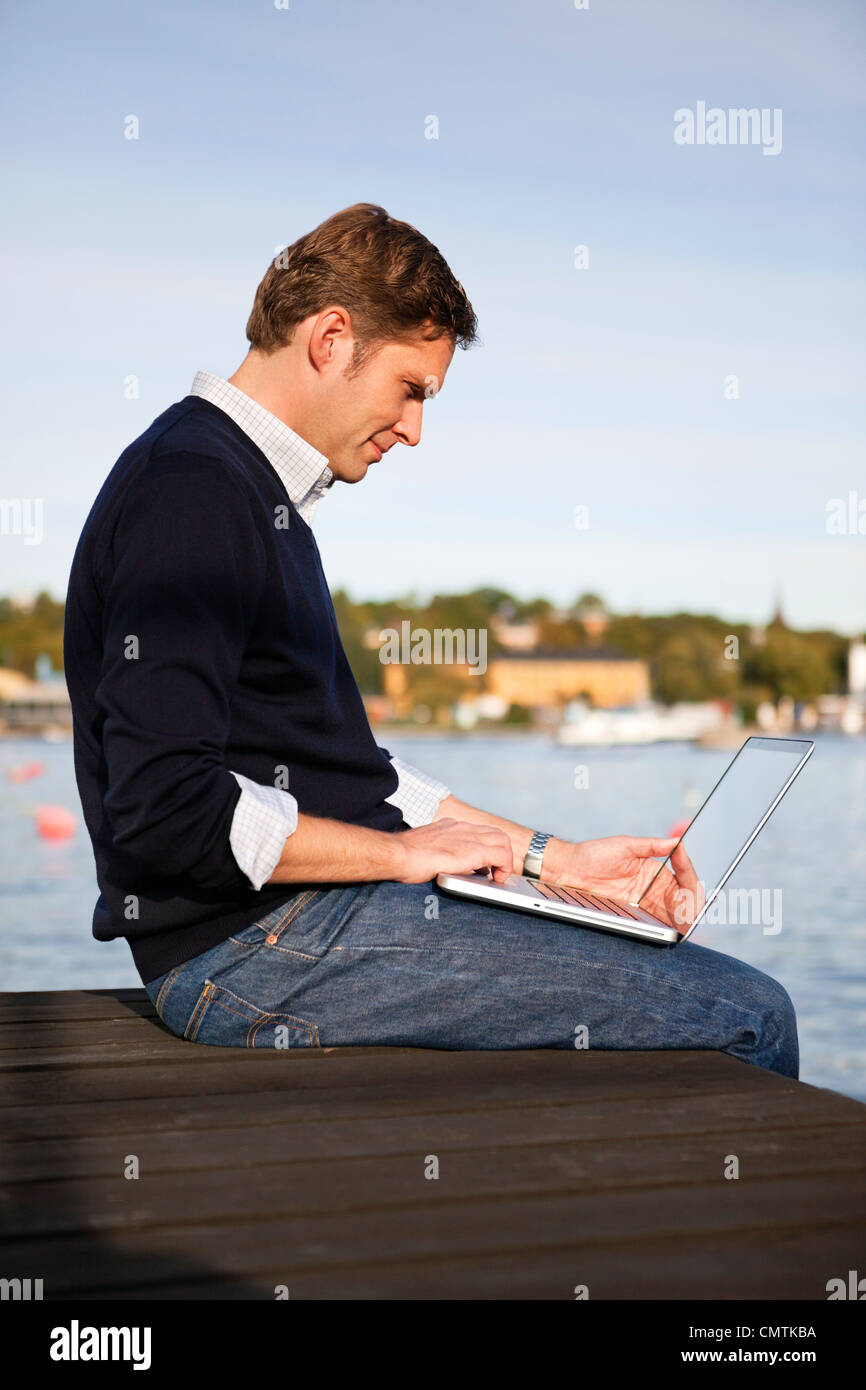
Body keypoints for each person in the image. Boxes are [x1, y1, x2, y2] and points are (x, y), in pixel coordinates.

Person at [63, 202, 798, 1075]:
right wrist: (401, 856)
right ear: (332, 338)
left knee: (698, 996)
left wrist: (555, 863)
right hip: (250, 950)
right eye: (412, 389)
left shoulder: (245, 491)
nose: (414, 429)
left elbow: (359, 780)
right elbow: (165, 808)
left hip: (297, 925)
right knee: (749, 1013)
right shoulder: (193, 490)